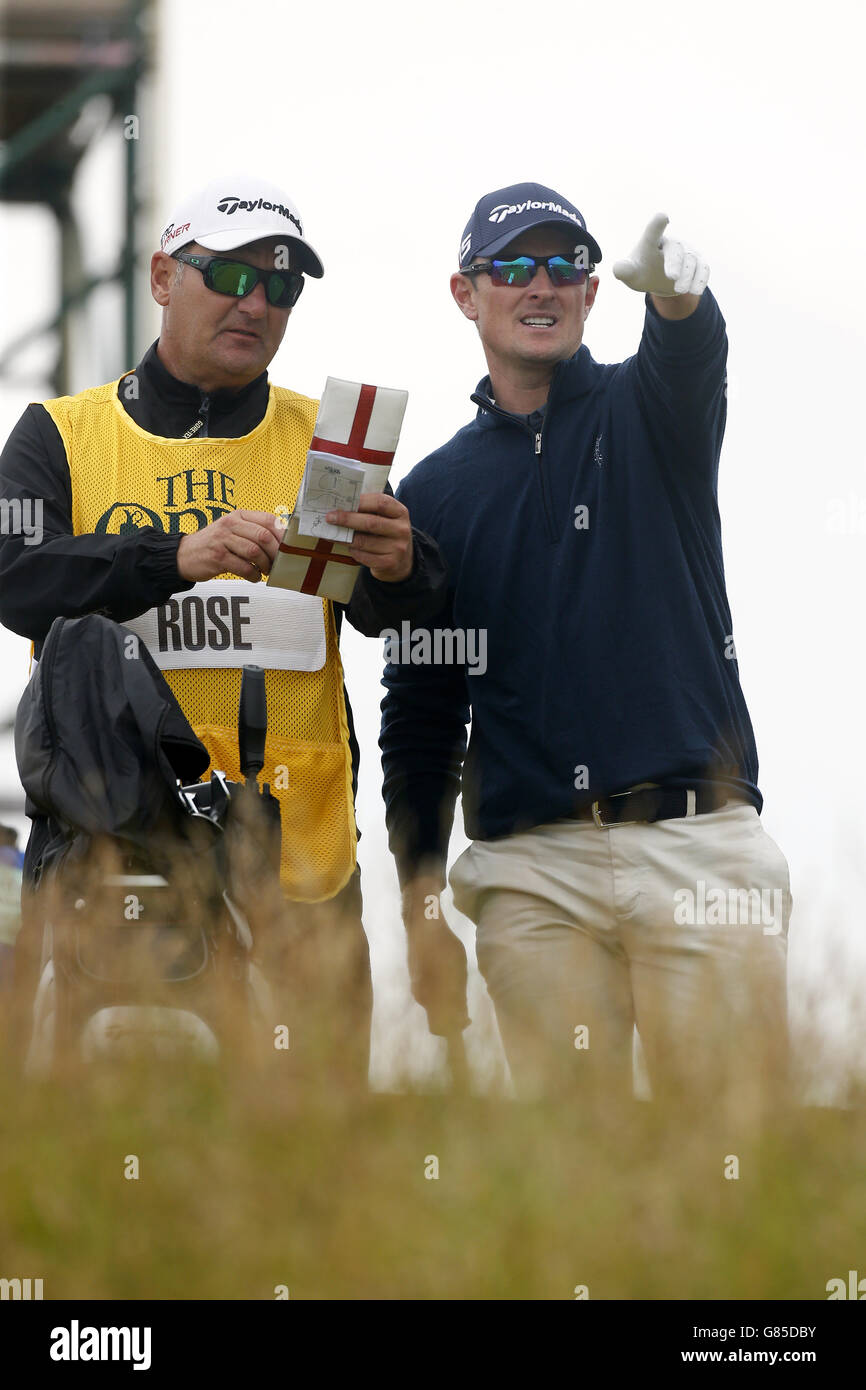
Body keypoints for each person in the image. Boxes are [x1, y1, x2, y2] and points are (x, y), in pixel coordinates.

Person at [0, 174, 448, 1085]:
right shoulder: (59, 432)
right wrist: (172, 558)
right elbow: (16, 579)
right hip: (112, 857)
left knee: (310, 1166)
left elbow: (389, 619)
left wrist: (405, 566)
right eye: (232, 277)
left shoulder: (325, 440)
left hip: (300, 867)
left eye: (282, 287)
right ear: (164, 276)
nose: (258, 304)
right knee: (108, 1153)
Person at [375, 181, 791, 1102]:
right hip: (534, 873)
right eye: (513, 266)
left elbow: (690, 358)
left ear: (595, 292)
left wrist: (679, 300)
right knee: (573, 1176)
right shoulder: (434, 492)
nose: (543, 284)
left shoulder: (649, 411)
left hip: (700, 847)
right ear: (465, 292)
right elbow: (424, 711)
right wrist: (421, 901)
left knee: (735, 1156)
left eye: (567, 265)